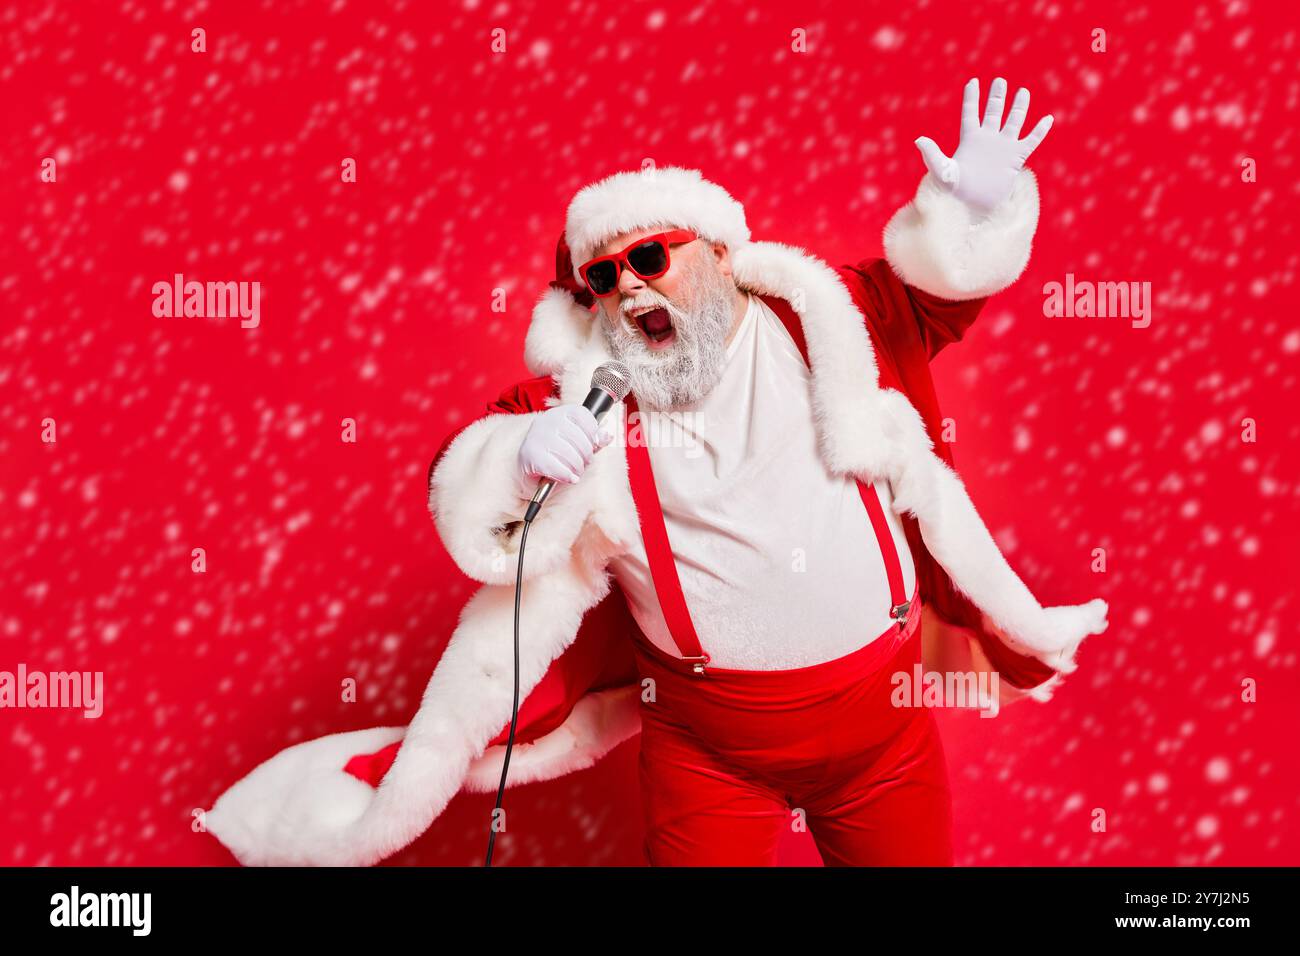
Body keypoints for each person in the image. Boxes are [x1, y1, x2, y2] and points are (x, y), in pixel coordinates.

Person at [204, 78, 1108, 867]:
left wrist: (972, 217)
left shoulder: (826, 321)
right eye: (603, 275)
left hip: (884, 731)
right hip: (710, 749)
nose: (629, 287)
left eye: (648, 257)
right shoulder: (582, 400)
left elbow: (933, 296)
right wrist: (517, 462)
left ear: (719, 254)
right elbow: (467, 486)